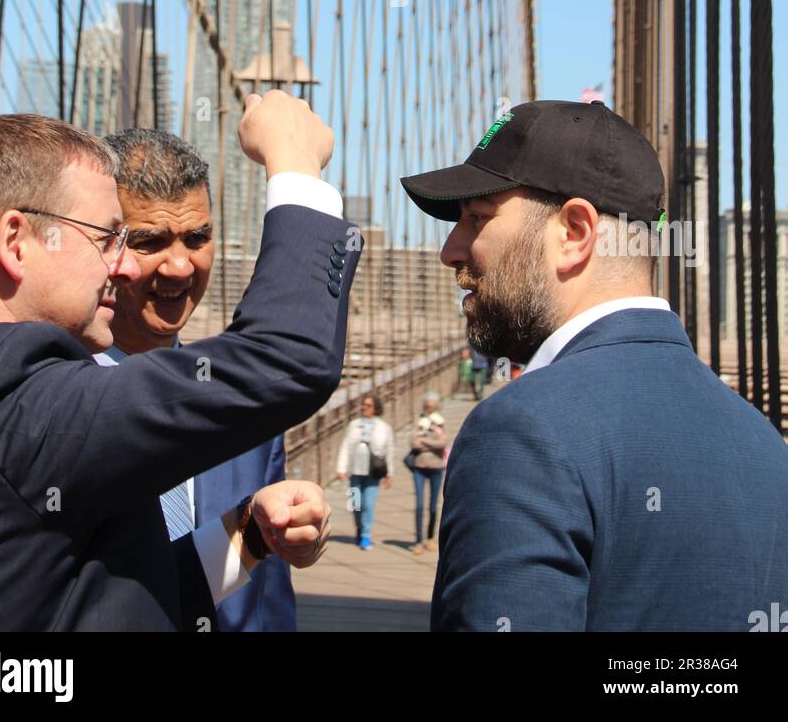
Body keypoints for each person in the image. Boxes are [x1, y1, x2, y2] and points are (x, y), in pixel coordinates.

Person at [0, 90, 362, 631]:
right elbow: (286, 359)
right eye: (110, 238)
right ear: (16, 241)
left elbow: (97, 603)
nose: (122, 266)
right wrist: (294, 162)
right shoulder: (7, 386)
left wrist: (248, 537)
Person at [401, 99, 788, 632]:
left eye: (477, 217)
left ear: (576, 232)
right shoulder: (763, 442)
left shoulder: (523, 431)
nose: (451, 250)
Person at [99, 125, 296, 632]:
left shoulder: (245, 408)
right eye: (150, 241)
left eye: (197, 237)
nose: (181, 266)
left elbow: (267, 601)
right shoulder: (38, 400)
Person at [335, 391, 394, 550]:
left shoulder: (384, 427)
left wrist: (389, 474)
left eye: (368, 405)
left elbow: (389, 450)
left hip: (373, 471)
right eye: (363, 405)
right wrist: (341, 468)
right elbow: (346, 446)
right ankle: (359, 529)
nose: (364, 408)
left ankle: (366, 535)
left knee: (368, 503)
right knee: (354, 503)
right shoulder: (354, 425)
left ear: (376, 408)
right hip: (355, 470)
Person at [406, 393, 447, 555]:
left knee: (432, 506)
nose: (428, 407)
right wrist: (431, 444)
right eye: (426, 405)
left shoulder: (440, 421)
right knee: (419, 505)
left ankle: (430, 537)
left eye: (430, 405)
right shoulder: (419, 421)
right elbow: (413, 443)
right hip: (419, 467)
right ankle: (418, 540)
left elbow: (443, 443)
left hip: (436, 467)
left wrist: (424, 442)